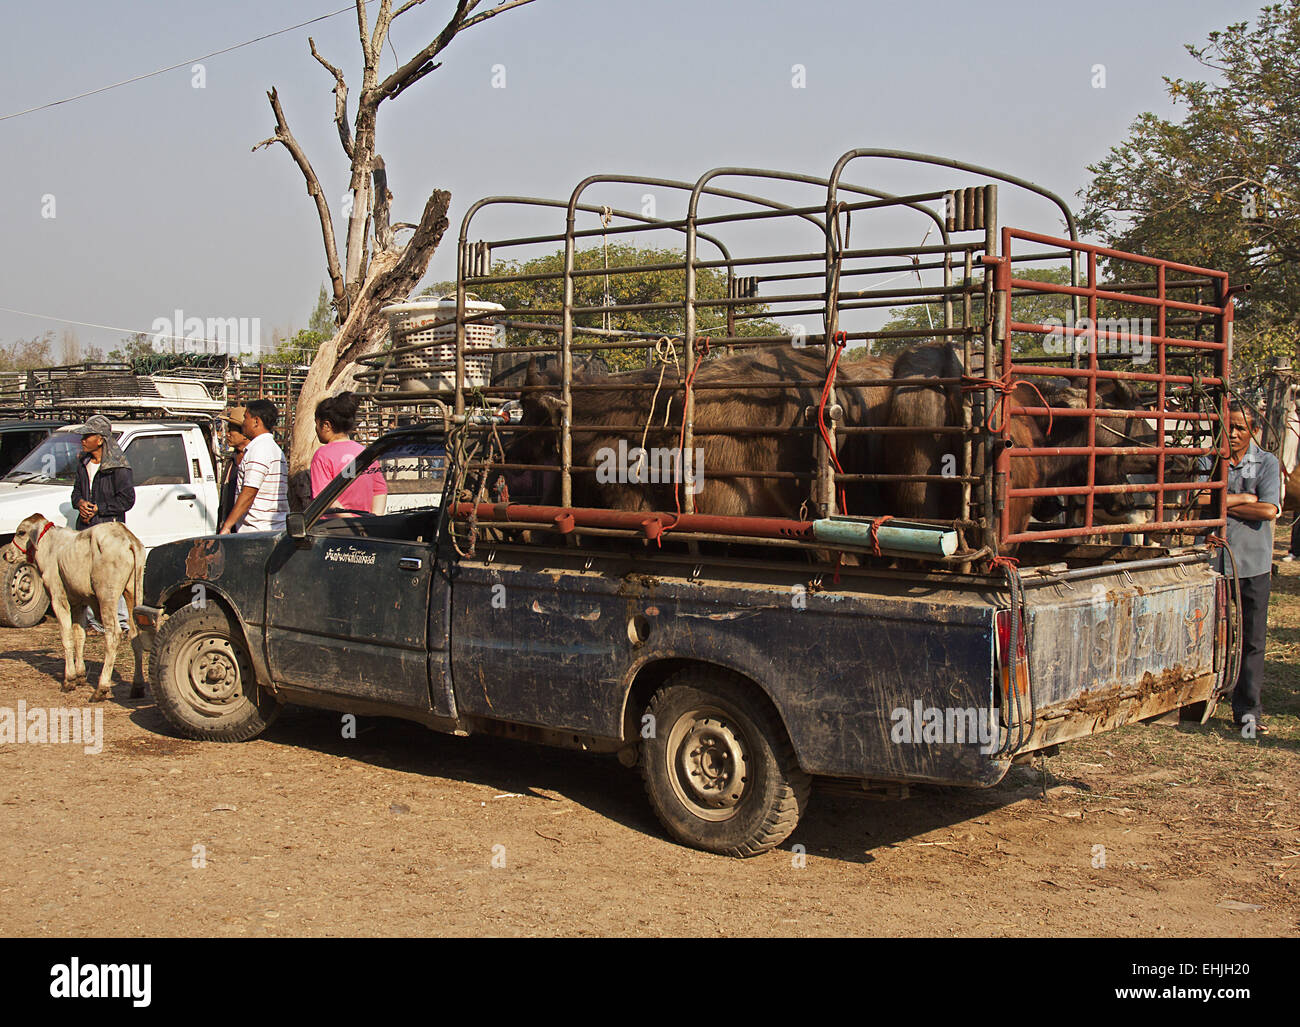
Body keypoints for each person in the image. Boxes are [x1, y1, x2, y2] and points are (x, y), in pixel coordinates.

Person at [1206, 402, 1281, 735]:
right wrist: (1242, 500)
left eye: (1239, 427)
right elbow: (1197, 498)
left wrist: (1222, 504)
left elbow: (1268, 509)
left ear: (1253, 430)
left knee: (1252, 638)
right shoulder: (1209, 459)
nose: (1233, 433)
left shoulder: (1266, 462)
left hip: (1252, 563)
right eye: (1228, 426)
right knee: (1208, 633)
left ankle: (1248, 709)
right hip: (1213, 562)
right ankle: (1200, 699)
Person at [68, 413, 134, 631]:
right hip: (86, 529)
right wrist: (80, 504)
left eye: (88, 436)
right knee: (87, 576)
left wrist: (99, 508)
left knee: (112, 577)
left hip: (109, 532)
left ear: (101, 439)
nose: (83, 440)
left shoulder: (119, 467)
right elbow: (76, 492)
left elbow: (126, 499)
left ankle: (120, 623)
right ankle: (94, 622)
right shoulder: (83, 463)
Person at [310, 391, 388, 515]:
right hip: (365, 528)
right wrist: (373, 523)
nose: (316, 429)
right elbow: (380, 490)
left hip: (334, 529)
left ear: (326, 425)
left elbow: (325, 498)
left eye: (316, 423)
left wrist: (350, 522)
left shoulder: (322, 455)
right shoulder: (364, 452)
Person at [218, 399, 288, 534]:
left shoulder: (259, 450)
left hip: (257, 530)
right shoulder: (272, 448)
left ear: (256, 421)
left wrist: (227, 526)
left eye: (245, 418)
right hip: (271, 528)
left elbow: (250, 491)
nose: (243, 423)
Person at [217, 406, 249, 528]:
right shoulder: (231, 460)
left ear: (244, 433)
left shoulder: (253, 459)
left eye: (232, 430)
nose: (228, 434)